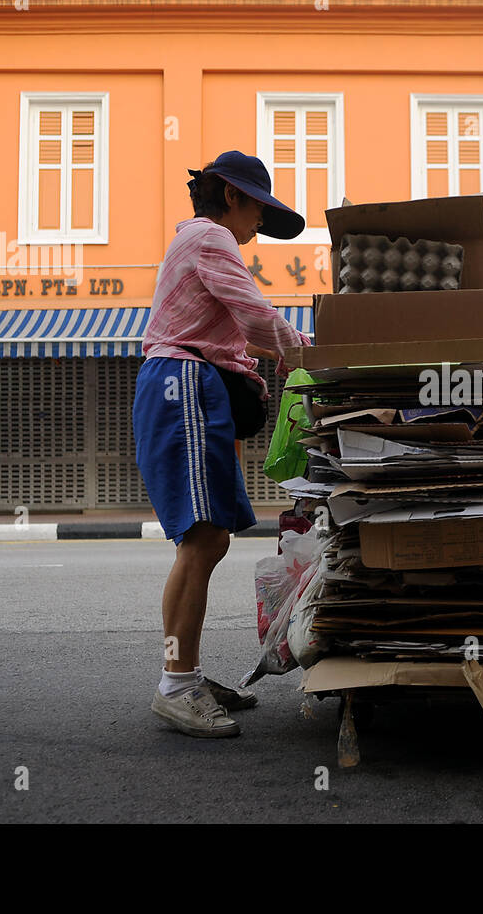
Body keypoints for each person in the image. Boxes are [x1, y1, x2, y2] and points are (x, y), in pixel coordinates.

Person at [134, 150, 311, 738]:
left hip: (192, 386)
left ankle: (184, 673)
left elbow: (251, 332)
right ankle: (176, 684)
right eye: (258, 204)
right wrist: (320, 356)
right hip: (181, 384)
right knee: (201, 539)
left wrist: (306, 345)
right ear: (232, 196)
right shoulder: (211, 238)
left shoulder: (204, 242)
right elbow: (259, 321)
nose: (261, 219)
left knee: (206, 542)